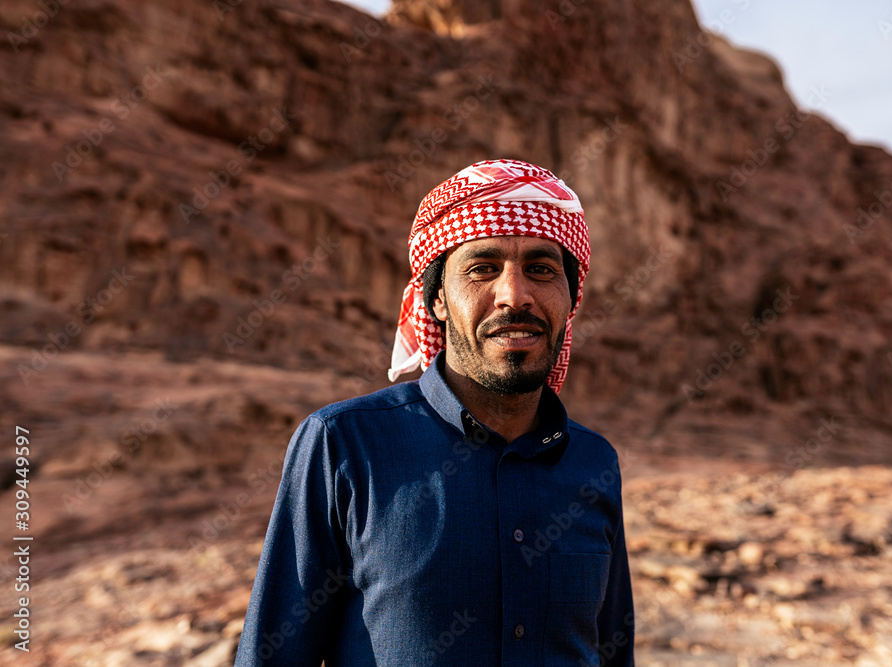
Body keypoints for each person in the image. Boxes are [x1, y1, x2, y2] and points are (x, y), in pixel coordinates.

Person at [235, 159, 634, 666]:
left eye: (541, 269)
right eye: (482, 269)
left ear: (570, 298)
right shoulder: (343, 445)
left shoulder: (594, 463)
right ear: (438, 301)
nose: (515, 295)